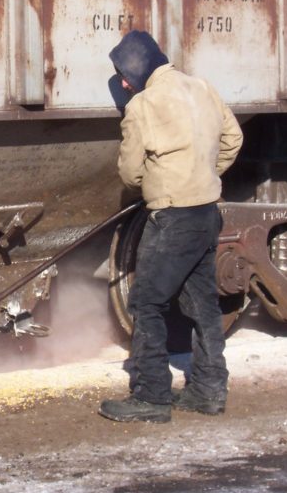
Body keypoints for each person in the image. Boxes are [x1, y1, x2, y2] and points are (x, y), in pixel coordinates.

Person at [99, 30, 243, 423]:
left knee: (146, 303)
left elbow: (129, 172)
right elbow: (233, 138)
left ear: (140, 67)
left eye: (125, 74)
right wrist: (203, 175)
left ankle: (151, 397)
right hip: (206, 213)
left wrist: (162, 183)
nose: (124, 82)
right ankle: (209, 391)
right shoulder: (203, 88)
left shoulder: (142, 105)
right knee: (203, 305)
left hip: (172, 218)